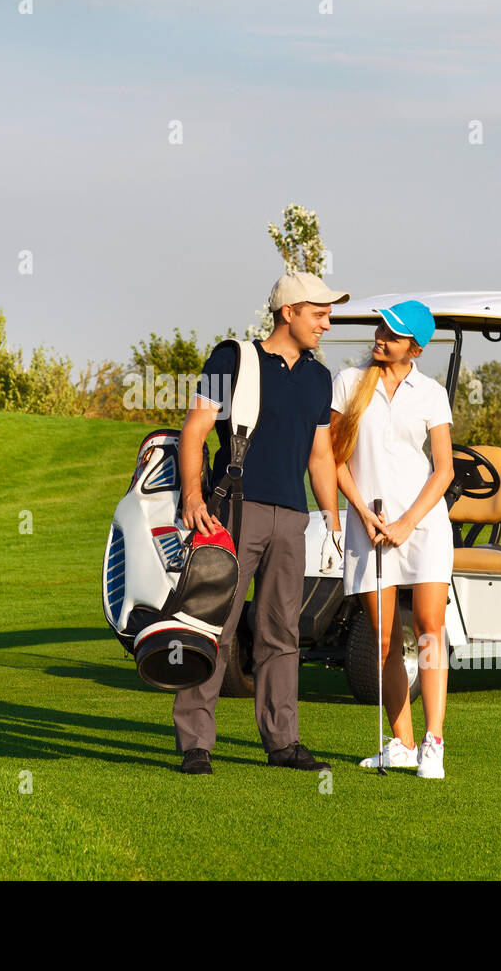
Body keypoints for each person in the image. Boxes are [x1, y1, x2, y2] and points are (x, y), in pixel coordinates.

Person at [174, 271, 348, 775]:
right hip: (235, 511)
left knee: (281, 631)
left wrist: (331, 523)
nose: (328, 324)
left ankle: (282, 741)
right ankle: (195, 744)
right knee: (214, 627)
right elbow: (196, 427)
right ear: (288, 312)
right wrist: (191, 495)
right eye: (320, 314)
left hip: (292, 517)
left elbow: (320, 456)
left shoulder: (319, 378)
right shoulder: (232, 357)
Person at [323, 300, 456, 779]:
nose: (381, 336)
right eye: (381, 328)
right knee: (383, 639)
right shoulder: (348, 383)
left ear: (414, 348)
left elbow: (444, 471)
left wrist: (405, 524)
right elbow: (333, 459)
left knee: (428, 629)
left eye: (393, 334)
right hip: (368, 525)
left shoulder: (431, 394)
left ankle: (433, 742)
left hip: (424, 526)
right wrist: (361, 512)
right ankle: (400, 742)